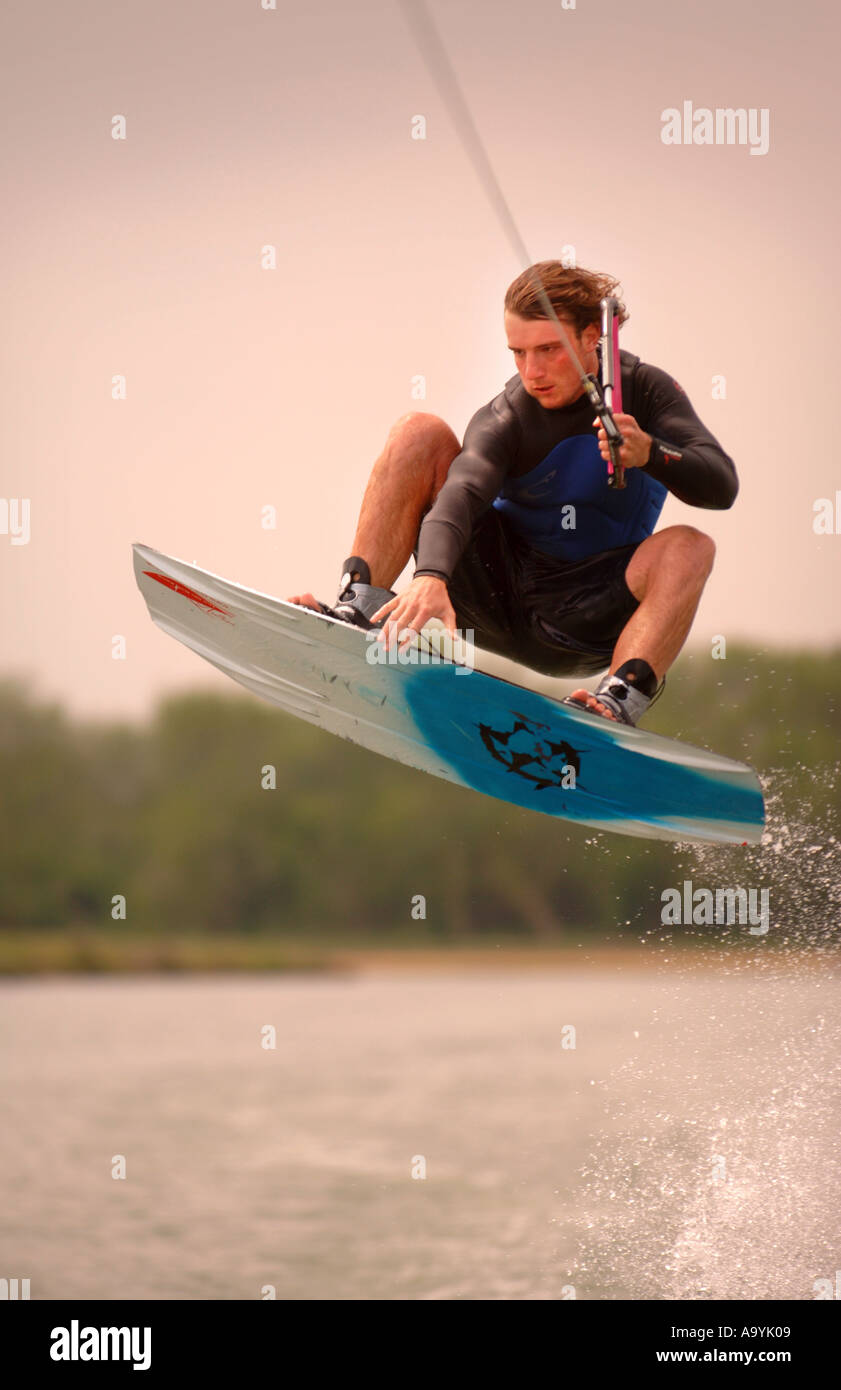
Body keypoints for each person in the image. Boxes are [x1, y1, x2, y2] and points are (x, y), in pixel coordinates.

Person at [288, 263, 737, 725]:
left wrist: (651, 453)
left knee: (690, 546)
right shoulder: (508, 415)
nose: (532, 371)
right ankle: (357, 609)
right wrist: (431, 573)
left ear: (591, 336)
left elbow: (722, 485)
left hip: (586, 617)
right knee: (418, 432)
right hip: (488, 593)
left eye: (547, 350)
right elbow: (462, 490)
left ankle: (617, 700)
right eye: (518, 353)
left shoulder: (644, 392)